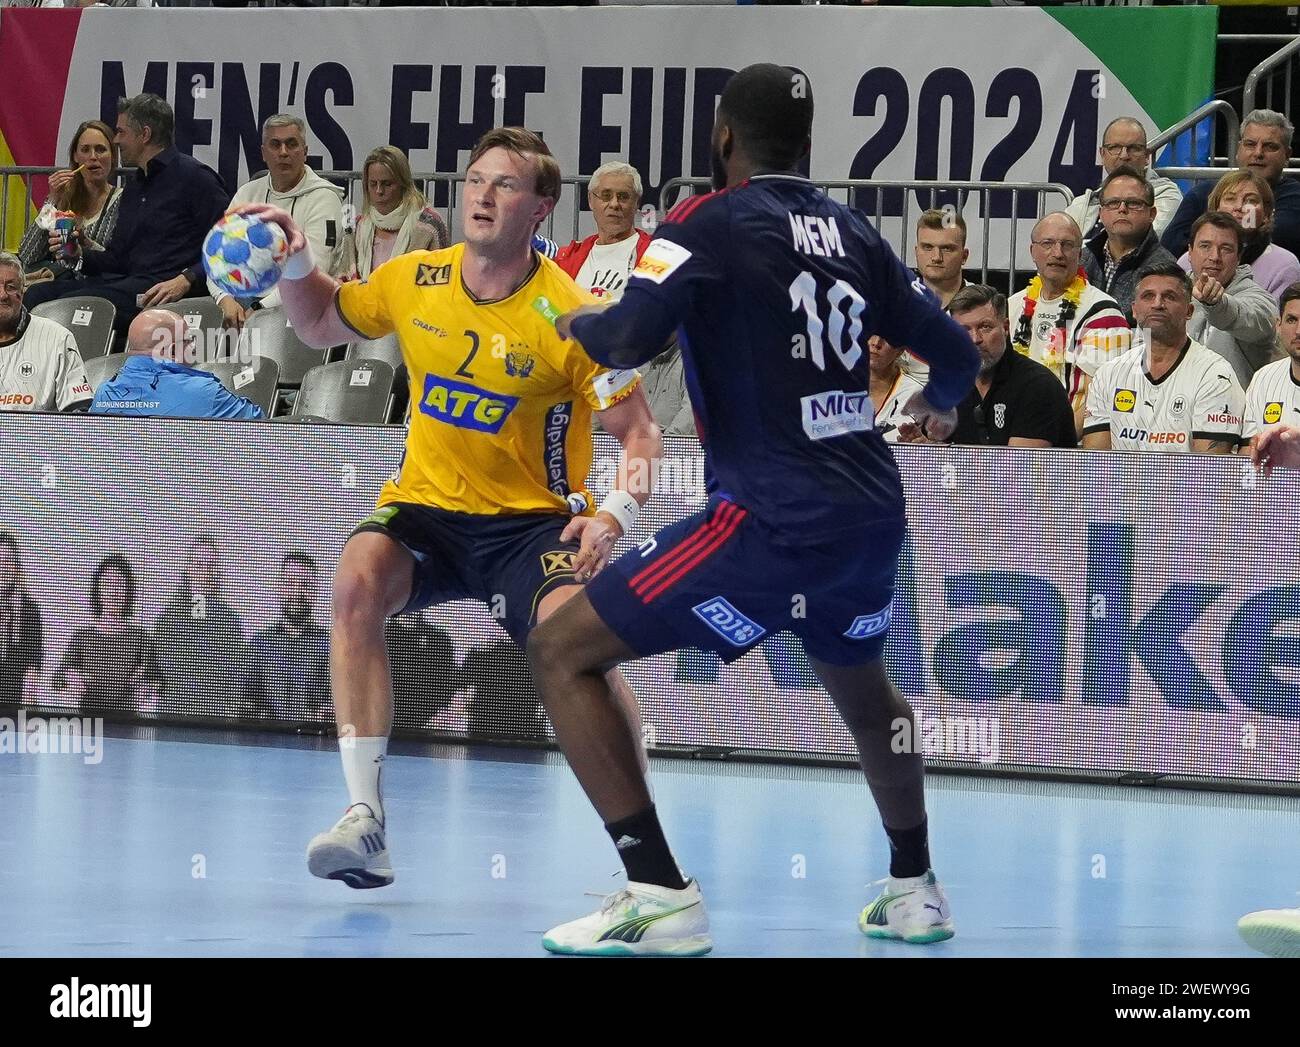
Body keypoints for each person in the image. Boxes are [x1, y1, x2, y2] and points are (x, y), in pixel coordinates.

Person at [527, 63, 980, 956]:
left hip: (766, 517)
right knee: (865, 691)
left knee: (560, 650)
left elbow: (628, 337)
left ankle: (659, 892)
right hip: (867, 514)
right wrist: (936, 407)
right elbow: (957, 356)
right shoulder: (854, 230)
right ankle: (915, 887)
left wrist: (570, 319)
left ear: (723, 137)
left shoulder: (704, 220)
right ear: (806, 145)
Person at [240, 125, 664, 892]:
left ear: (540, 208)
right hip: (426, 510)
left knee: (580, 646)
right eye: (475, 180)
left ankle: (647, 846)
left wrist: (613, 515)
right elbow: (318, 321)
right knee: (356, 580)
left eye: (505, 184)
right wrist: (298, 261)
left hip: (529, 525)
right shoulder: (416, 278)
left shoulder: (572, 315)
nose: (482, 195)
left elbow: (640, 434)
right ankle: (365, 819)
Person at [23, 94, 230, 335]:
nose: (116, 140)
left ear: (145, 134)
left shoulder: (196, 178)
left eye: (121, 132)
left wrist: (187, 278)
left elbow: (229, 245)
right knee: (38, 294)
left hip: (164, 288)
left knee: (71, 304)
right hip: (127, 282)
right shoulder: (135, 186)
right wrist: (78, 252)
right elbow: (117, 259)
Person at [1082, 263, 1244, 454]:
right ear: (1134, 310)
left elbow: (1209, 466)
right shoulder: (1108, 374)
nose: (1157, 304)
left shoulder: (1215, 375)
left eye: (1169, 297)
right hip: (1120, 476)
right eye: (1148, 296)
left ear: (1189, 311)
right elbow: (1097, 461)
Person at [207, 115, 345, 329]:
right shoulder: (247, 193)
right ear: (264, 153)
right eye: (275, 144)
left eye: (291, 144)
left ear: (305, 152)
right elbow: (217, 257)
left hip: (297, 309)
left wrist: (259, 309)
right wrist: (224, 299)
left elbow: (314, 272)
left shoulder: (324, 199)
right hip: (240, 304)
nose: (283, 152)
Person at [1007, 213, 1129, 434]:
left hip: (1071, 441)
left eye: (1067, 245)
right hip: (1016, 434)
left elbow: (1103, 396)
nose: (1057, 253)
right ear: (1032, 251)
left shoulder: (1103, 312)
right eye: (1048, 243)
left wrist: (1060, 440)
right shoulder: (1013, 305)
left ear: (1080, 254)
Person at [944, 284, 1076, 448]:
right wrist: (926, 447)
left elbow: (1019, 462)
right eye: (964, 330)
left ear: (1005, 328)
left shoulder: (1038, 386)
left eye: (985, 327)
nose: (974, 339)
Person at [1164, 109, 1300, 259]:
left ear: (1287, 155)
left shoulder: (1295, 197)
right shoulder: (1202, 193)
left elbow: (1280, 239)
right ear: (1238, 149)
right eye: (1250, 144)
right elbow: (1170, 247)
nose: (1258, 153)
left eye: (1269, 146)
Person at [89, 309, 264, 419]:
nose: (193, 347)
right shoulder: (204, 392)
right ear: (172, 350)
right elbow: (259, 425)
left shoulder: (103, 393)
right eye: (189, 340)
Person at [51, 554, 163, 716]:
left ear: (128, 592)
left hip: (127, 724)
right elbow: (56, 679)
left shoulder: (141, 638)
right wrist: (70, 677)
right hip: (89, 724)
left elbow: (158, 679)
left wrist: (148, 686)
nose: (113, 591)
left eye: (120, 584)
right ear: (98, 589)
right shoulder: (82, 637)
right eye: (107, 583)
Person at [16, 120, 123, 285]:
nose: (93, 157)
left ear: (113, 156)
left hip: (98, 286)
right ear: (75, 156)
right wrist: (52, 201)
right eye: (85, 150)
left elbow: (118, 263)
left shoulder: (123, 200)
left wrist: (85, 243)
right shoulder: (63, 198)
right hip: (59, 284)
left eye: (100, 149)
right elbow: (27, 255)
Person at [153, 534, 248, 716]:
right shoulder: (168, 618)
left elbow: (237, 673)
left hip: (214, 719)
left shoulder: (230, 620)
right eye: (199, 564)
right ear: (188, 568)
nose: (205, 572)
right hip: (174, 717)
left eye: (211, 565)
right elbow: (167, 671)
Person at [1185, 211, 1279, 390]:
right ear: (1190, 252)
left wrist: (1216, 304)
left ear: (1239, 257)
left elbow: (1250, 318)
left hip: (1235, 404)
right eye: (1205, 246)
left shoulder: (1259, 299)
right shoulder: (1171, 294)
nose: (1215, 257)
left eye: (1226, 249)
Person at [1175, 169, 1300, 302]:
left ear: (1266, 214)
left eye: (1250, 200)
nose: (1239, 207)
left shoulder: (1284, 264)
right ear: (1215, 209)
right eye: (1230, 199)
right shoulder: (1188, 260)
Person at [335, 146, 450, 282]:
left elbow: (442, 282)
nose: (379, 191)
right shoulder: (356, 228)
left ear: (403, 184)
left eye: (387, 184)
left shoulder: (430, 225)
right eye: (373, 184)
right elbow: (344, 279)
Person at [0, 252, 94, 413]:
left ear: (22, 292)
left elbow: (79, 410)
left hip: (34, 429)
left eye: (11, 287)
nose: (2, 295)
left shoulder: (58, 338)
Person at [244, 550, 330, 723]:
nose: (297, 592)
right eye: (290, 583)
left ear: (316, 591)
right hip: (266, 738)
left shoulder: (330, 647)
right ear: (279, 587)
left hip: (312, 739)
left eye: (306, 585)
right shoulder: (259, 644)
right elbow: (246, 701)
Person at [1081, 166, 1177, 319]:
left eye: (1133, 203)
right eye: (1113, 202)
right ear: (1101, 213)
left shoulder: (1166, 267)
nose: (1122, 209)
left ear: (1152, 214)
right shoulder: (1081, 259)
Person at [1064, 117, 1182, 240]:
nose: (1124, 155)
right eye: (1115, 147)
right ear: (1102, 154)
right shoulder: (1081, 204)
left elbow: (1142, 242)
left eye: (1133, 148)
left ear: (1147, 156)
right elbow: (1062, 244)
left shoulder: (1166, 195)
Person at [1240, 283, 1300, 450]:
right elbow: (1248, 451)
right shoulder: (1263, 379)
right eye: (1292, 320)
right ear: (1278, 325)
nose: (1298, 331)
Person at [0, 531, 43, 707]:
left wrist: (26, 712)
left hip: (16, 708)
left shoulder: (29, 610)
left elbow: (33, 665)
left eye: (8, 560)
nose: (3, 567)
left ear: (17, 567)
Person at [867, 334, 922, 443]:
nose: (876, 343)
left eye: (887, 338)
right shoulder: (836, 386)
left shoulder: (914, 395)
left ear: (900, 350)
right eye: (871, 333)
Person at [912, 208, 968, 308]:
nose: (936, 257)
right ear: (916, 252)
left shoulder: (984, 306)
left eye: (946, 249)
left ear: (964, 256)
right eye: (928, 247)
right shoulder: (895, 304)